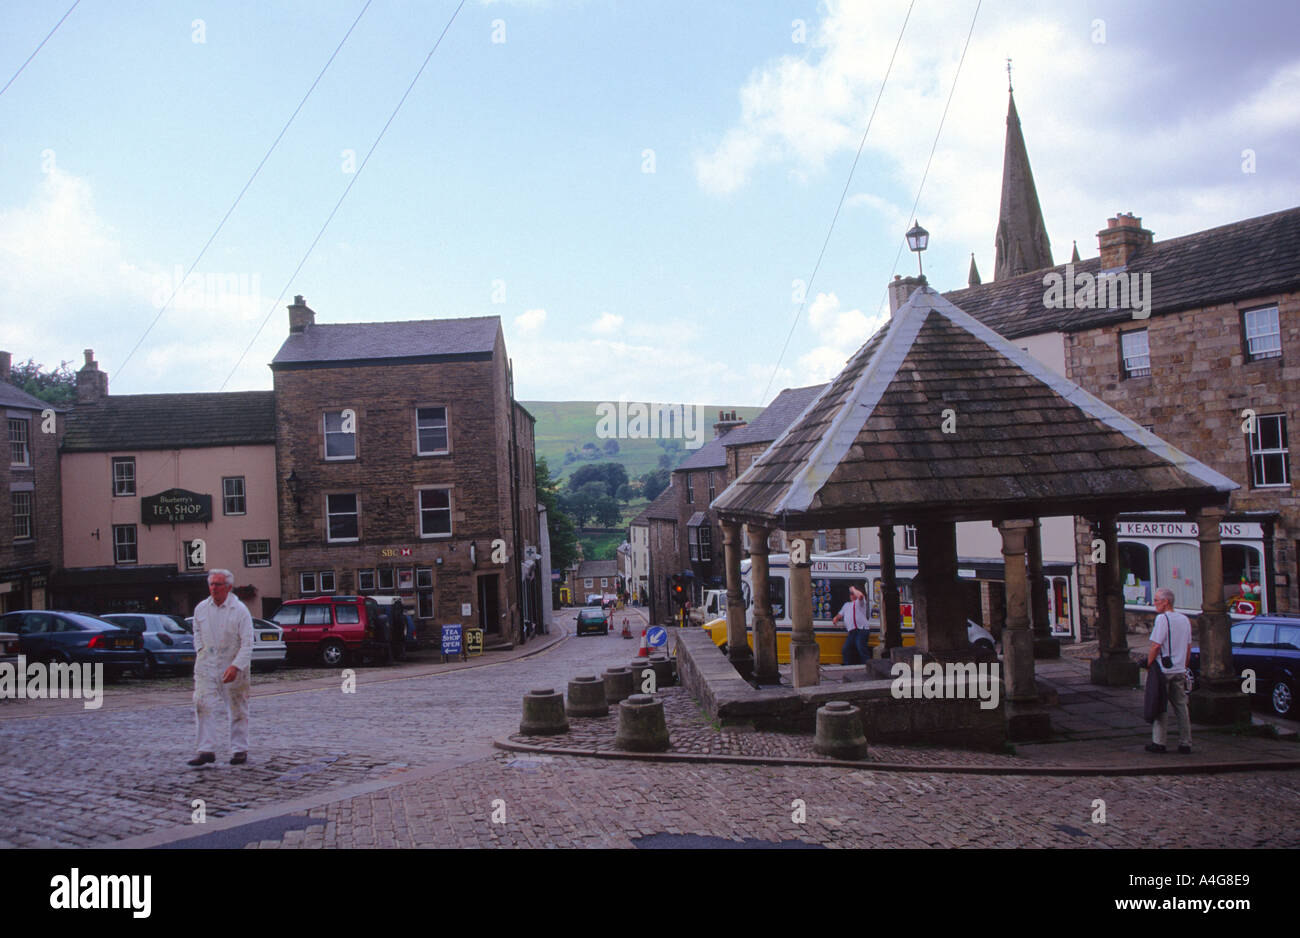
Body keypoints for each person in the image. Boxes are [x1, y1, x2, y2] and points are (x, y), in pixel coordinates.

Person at [189, 569, 253, 767]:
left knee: (237, 707)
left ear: (228, 587)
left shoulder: (240, 610)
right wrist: (200, 650)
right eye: (211, 584)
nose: (214, 588)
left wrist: (236, 666)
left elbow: (248, 643)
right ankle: (205, 749)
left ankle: (239, 749)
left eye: (218, 584)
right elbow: (197, 632)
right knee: (202, 704)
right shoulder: (200, 609)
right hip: (206, 664)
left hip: (233, 663)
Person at [1146, 587, 1192, 754]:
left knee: (1160, 705)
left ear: (1166, 602)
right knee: (1181, 705)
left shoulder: (1162, 619)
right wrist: (1184, 666)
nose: (1155, 604)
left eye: (1157, 600)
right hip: (1179, 668)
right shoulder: (1185, 619)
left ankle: (1159, 742)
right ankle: (1185, 742)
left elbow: (1156, 645)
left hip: (1164, 669)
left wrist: (1149, 663)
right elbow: (1188, 647)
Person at [832, 585, 872, 665]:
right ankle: (848, 667)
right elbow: (840, 615)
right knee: (845, 650)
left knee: (861, 649)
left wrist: (853, 589)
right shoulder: (846, 605)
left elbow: (860, 596)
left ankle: (866, 666)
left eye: (853, 594)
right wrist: (836, 618)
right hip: (852, 632)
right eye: (851, 594)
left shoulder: (860, 603)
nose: (852, 595)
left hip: (861, 630)